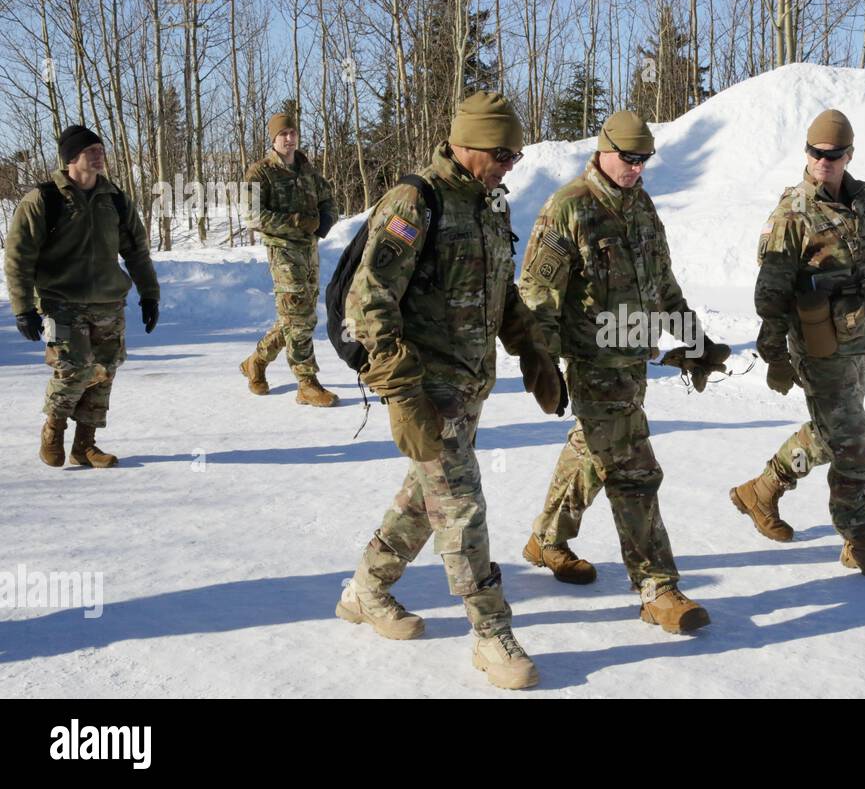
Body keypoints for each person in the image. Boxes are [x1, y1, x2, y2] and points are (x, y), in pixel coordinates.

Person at [336, 92, 565, 690]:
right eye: (501, 151)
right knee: (461, 504)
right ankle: (490, 633)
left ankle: (366, 588)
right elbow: (369, 299)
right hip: (425, 385)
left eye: (516, 152)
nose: (511, 161)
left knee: (425, 496)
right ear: (465, 142)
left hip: (469, 384)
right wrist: (401, 391)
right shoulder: (418, 201)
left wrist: (532, 348)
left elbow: (501, 292)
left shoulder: (489, 202)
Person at [517, 111, 722, 634]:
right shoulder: (569, 208)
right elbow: (538, 301)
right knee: (634, 471)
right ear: (603, 150)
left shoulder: (641, 207)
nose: (636, 168)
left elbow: (663, 286)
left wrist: (696, 342)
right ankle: (657, 587)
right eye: (628, 158)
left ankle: (547, 540)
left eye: (644, 160)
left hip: (631, 363)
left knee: (592, 451)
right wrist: (544, 366)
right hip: (591, 366)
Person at [728, 109, 865, 579]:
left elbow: (863, 270)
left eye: (833, 154)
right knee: (853, 442)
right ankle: (857, 539)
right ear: (806, 153)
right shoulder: (793, 213)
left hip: (858, 343)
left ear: (849, 155)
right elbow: (771, 291)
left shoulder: (859, 204)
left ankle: (762, 489)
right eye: (815, 153)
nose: (823, 161)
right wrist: (774, 354)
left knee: (829, 433)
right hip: (818, 344)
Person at [4, 125, 160, 468]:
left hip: (108, 302)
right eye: (92, 150)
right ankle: (54, 430)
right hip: (60, 304)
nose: (99, 154)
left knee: (105, 369)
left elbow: (136, 251)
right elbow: (19, 257)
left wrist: (150, 294)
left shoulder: (115, 199)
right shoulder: (44, 200)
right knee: (73, 368)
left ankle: (85, 445)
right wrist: (23, 308)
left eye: (101, 149)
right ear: (72, 158)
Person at [239, 113, 338, 406]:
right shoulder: (260, 173)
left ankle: (256, 361)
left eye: (293, 132)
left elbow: (326, 196)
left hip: (309, 251)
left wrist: (326, 219)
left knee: (296, 316)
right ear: (273, 138)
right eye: (283, 134)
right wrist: (297, 222)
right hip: (283, 251)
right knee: (299, 316)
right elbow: (253, 216)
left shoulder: (306, 169)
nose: (289, 138)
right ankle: (306, 382)